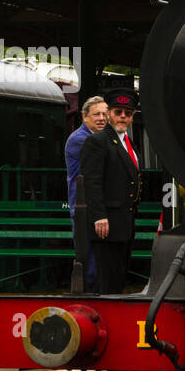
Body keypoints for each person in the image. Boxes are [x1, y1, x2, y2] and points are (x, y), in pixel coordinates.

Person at [81, 90, 141, 295]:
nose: (123, 116)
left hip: (124, 222)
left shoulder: (128, 143)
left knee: (118, 277)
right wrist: (99, 216)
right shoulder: (97, 141)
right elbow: (92, 181)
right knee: (106, 281)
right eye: (118, 112)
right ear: (109, 115)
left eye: (128, 113)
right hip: (107, 224)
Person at [64, 95, 108, 289]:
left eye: (105, 114)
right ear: (85, 117)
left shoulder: (102, 138)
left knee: (100, 261)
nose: (101, 118)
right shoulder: (80, 140)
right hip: (85, 209)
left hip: (98, 208)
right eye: (96, 114)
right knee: (88, 262)